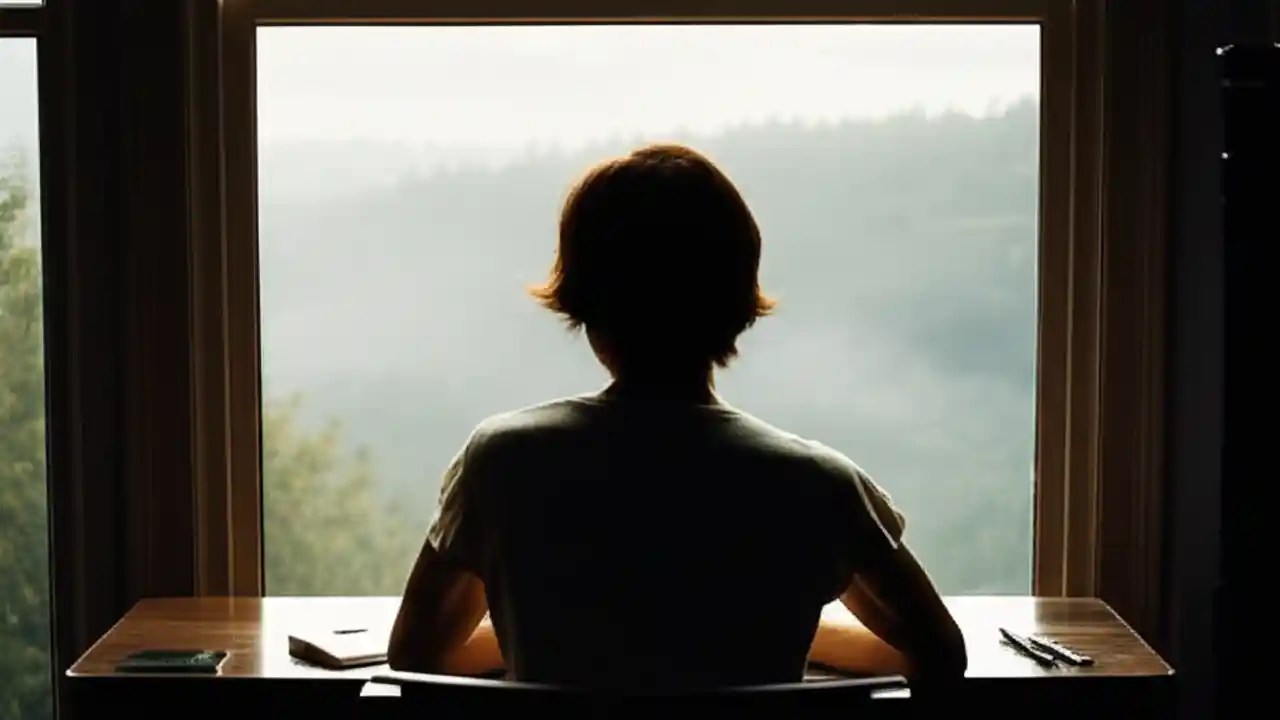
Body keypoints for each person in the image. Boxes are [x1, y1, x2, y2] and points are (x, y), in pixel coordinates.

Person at [388, 144, 966, 689]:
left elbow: (416, 654)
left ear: (585, 303)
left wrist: (540, 632)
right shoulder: (819, 484)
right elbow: (940, 654)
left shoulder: (502, 463)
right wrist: (781, 624)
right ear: (739, 306)